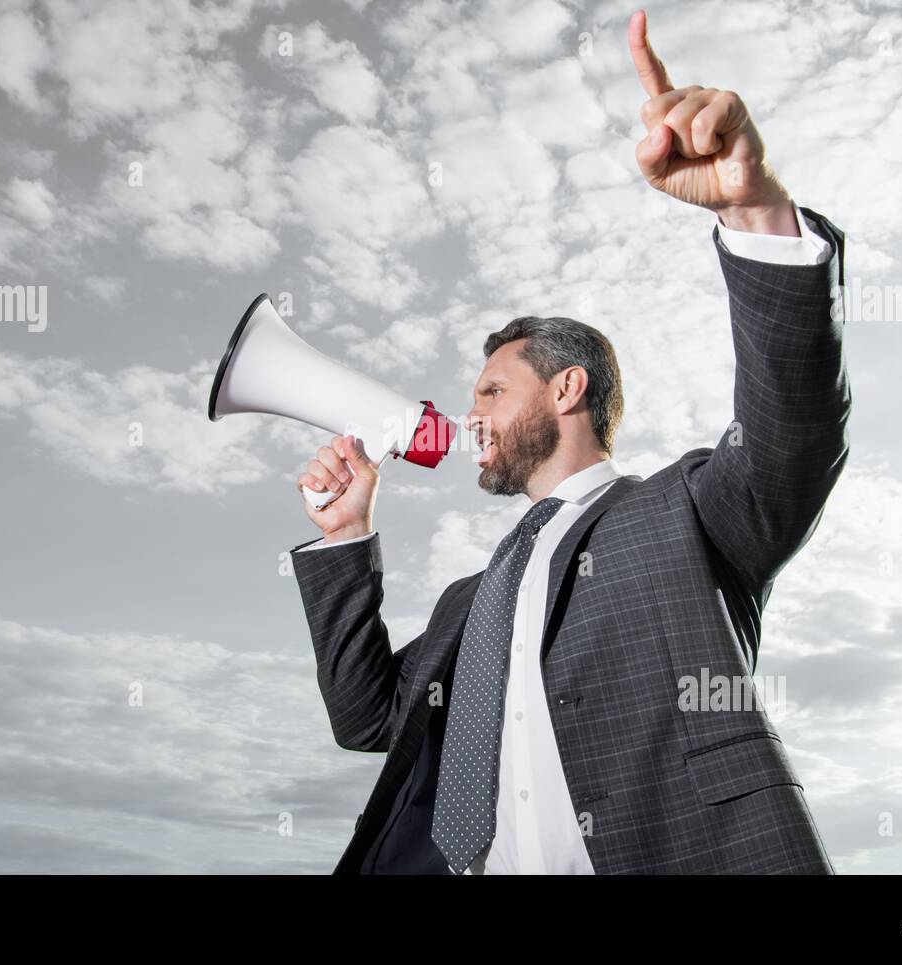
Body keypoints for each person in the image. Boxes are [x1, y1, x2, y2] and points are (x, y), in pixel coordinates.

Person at [288, 9, 850, 874]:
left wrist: (756, 208)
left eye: (491, 390)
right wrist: (346, 537)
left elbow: (794, 434)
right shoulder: (466, 604)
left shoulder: (685, 512)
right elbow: (366, 720)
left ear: (567, 387)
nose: (469, 412)